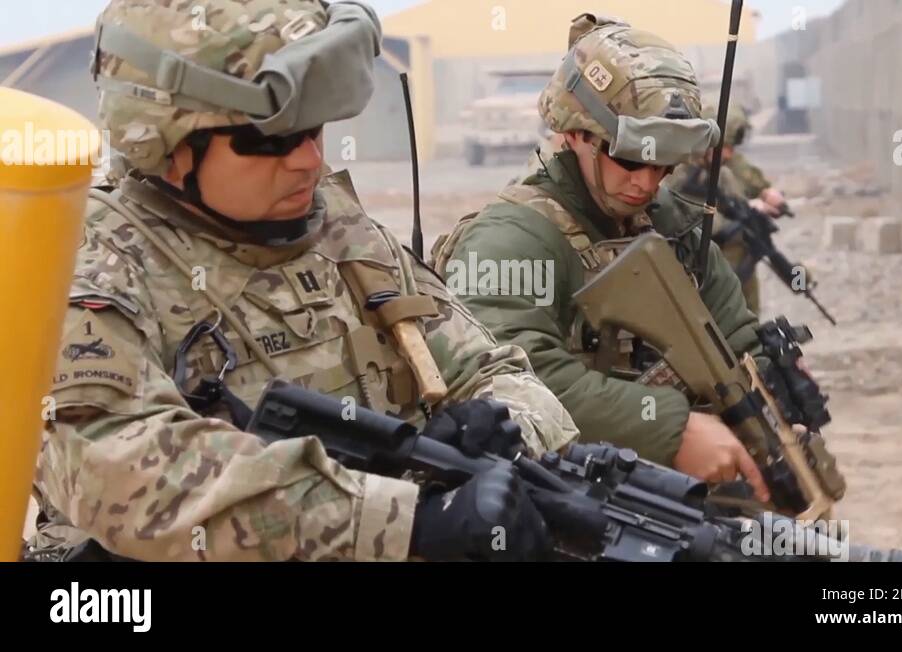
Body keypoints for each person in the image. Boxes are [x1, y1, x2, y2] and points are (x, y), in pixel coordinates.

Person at [25, 0, 578, 563]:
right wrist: (403, 521)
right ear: (163, 141)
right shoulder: (86, 262)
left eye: (313, 130)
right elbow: (119, 472)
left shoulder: (343, 234)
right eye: (269, 140)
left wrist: (500, 432)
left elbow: (498, 371)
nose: (308, 161)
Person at [431, 13, 770, 502]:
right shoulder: (512, 239)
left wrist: (767, 400)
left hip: (669, 496)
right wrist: (673, 430)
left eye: (665, 163)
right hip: (554, 497)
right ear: (575, 134)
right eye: (630, 158)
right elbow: (513, 377)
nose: (647, 182)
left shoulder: (673, 223)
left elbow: (735, 337)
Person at [667, 104, 789, 314]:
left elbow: (741, 182)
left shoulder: (720, 170)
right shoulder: (677, 168)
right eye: (726, 147)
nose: (730, 154)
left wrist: (758, 201)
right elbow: (678, 214)